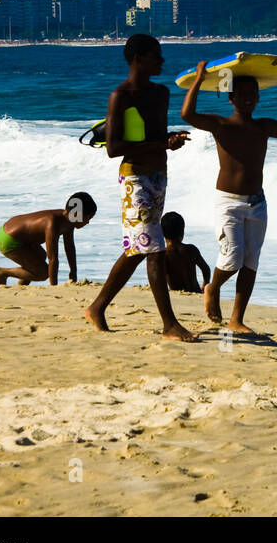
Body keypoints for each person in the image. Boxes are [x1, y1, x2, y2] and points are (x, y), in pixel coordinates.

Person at [83, 34, 196, 342]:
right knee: (154, 249)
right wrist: (163, 143)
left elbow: (154, 135)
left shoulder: (161, 93)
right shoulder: (121, 95)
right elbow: (114, 147)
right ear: (138, 59)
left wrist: (170, 140)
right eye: (156, 55)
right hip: (134, 178)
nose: (162, 60)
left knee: (139, 248)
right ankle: (169, 324)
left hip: (159, 175)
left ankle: (96, 307)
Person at [181, 63, 277, 333]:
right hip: (228, 202)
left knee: (251, 262)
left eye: (253, 93)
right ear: (231, 97)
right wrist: (199, 80)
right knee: (232, 257)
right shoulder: (220, 125)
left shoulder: (263, 127)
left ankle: (237, 319)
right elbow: (187, 114)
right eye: (242, 93)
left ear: (258, 98)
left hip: (257, 202)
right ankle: (212, 288)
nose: (248, 97)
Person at [0, 193, 96, 285]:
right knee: (43, 273)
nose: (88, 222)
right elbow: (53, 258)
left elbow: (69, 248)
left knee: (41, 256)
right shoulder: (52, 223)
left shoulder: (69, 222)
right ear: (76, 214)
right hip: (8, 238)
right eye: (88, 218)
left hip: (19, 234)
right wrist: (53, 286)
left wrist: (73, 273)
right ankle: (2, 272)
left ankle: (22, 285)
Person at [161, 211, 210, 294]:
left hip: (178, 294)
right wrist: (204, 285)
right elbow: (206, 269)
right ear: (182, 231)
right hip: (196, 291)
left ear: (162, 233)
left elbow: (161, 278)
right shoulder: (192, 249)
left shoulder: (164, 255)